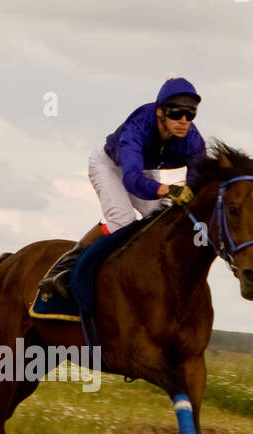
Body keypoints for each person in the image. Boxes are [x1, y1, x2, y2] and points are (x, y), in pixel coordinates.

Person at [38, 75, 205, 300]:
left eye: (190, 115)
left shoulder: (193, 140)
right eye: (176, 113)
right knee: (122, 219)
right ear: (160, 112)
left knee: (165, 221)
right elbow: (132, 179)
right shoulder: (138, 125)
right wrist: (169, 190)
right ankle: (65, 266)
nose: (184, 120)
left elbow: (197, 179)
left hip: (144, 170)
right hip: (109, 165)